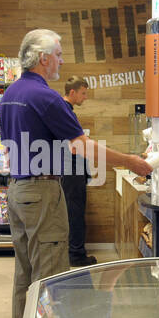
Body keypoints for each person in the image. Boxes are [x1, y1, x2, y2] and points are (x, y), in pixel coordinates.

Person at [0, 29, 153, 318]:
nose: (62, 60)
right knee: (50, 278)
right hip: (42, 191)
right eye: (58, 54)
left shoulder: (11, 93)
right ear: (43, 58)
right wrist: (130, 161)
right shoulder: (46, 97)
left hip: (18, 190)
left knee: (24, 276)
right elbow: (81, 146)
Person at [60, 77, 94, 266]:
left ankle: (75, 251)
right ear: (72, 92)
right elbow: (73, 144)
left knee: (74, 211)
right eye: (83, 93)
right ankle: (77, 255)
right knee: (75, 212)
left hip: (71, 168)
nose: (85, 97)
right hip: (71, 168)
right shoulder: (65, 111)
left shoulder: (66, 110)